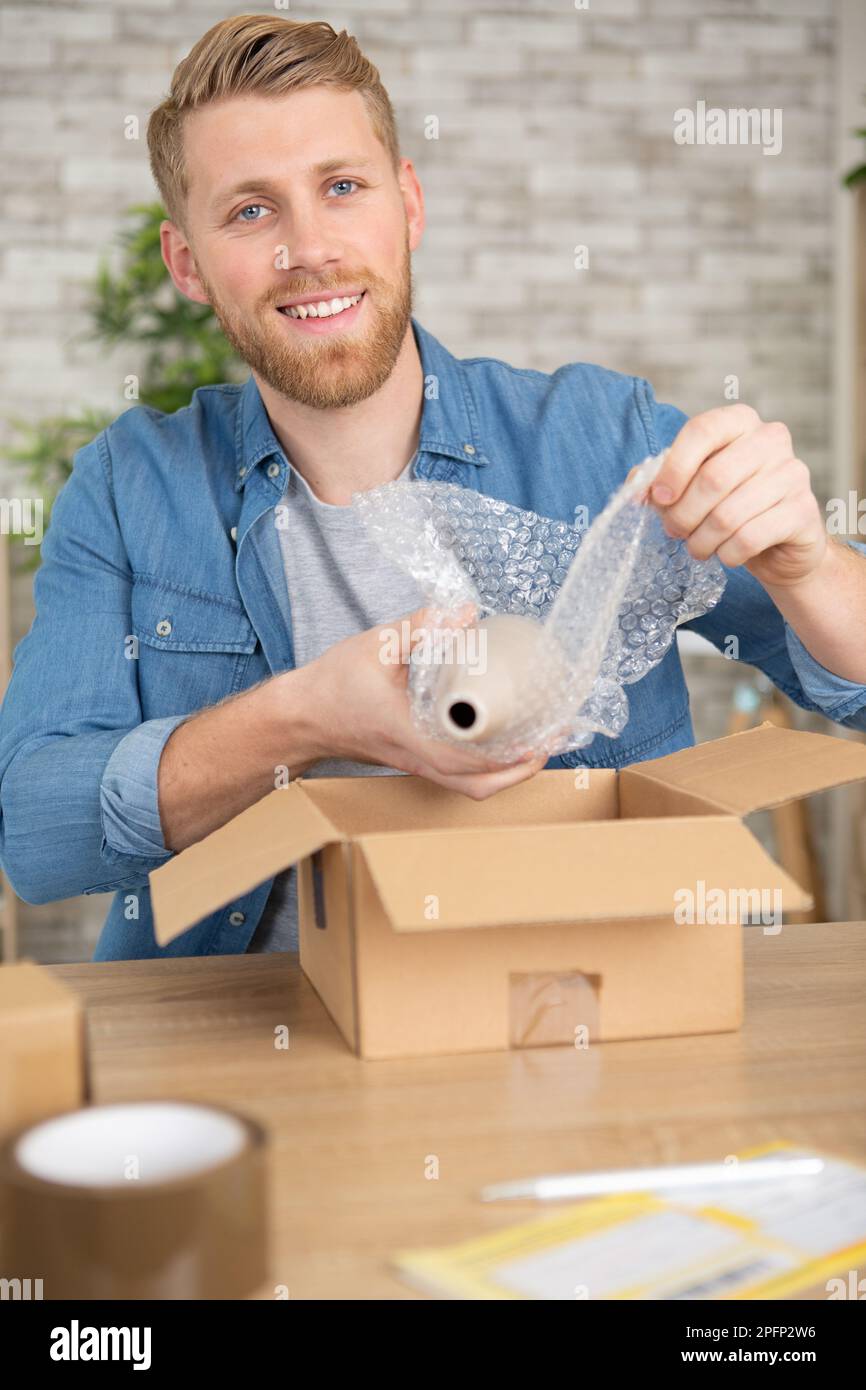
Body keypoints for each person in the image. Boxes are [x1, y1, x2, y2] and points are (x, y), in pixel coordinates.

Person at [1, 15, 864, 960]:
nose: (310, 248)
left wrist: (809, 565)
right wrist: (301, 718)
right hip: (249, 1043)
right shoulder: (132, 486)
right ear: (187, 264)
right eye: (250, 211)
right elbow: (37, 836)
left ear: (407, 203)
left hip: (579, 1020)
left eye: (342, 187)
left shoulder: (600, 441)